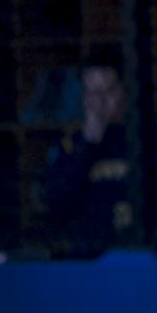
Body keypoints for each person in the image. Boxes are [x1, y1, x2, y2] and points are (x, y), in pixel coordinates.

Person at [44, 48, 133, 254]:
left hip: (137, 250)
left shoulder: (153, 137)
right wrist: (90, 144)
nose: (98, 102)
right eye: (91, 92)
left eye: (108, 91)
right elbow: (58, 206)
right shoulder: (72, 144)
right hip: (88, 254)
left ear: (125, 91)